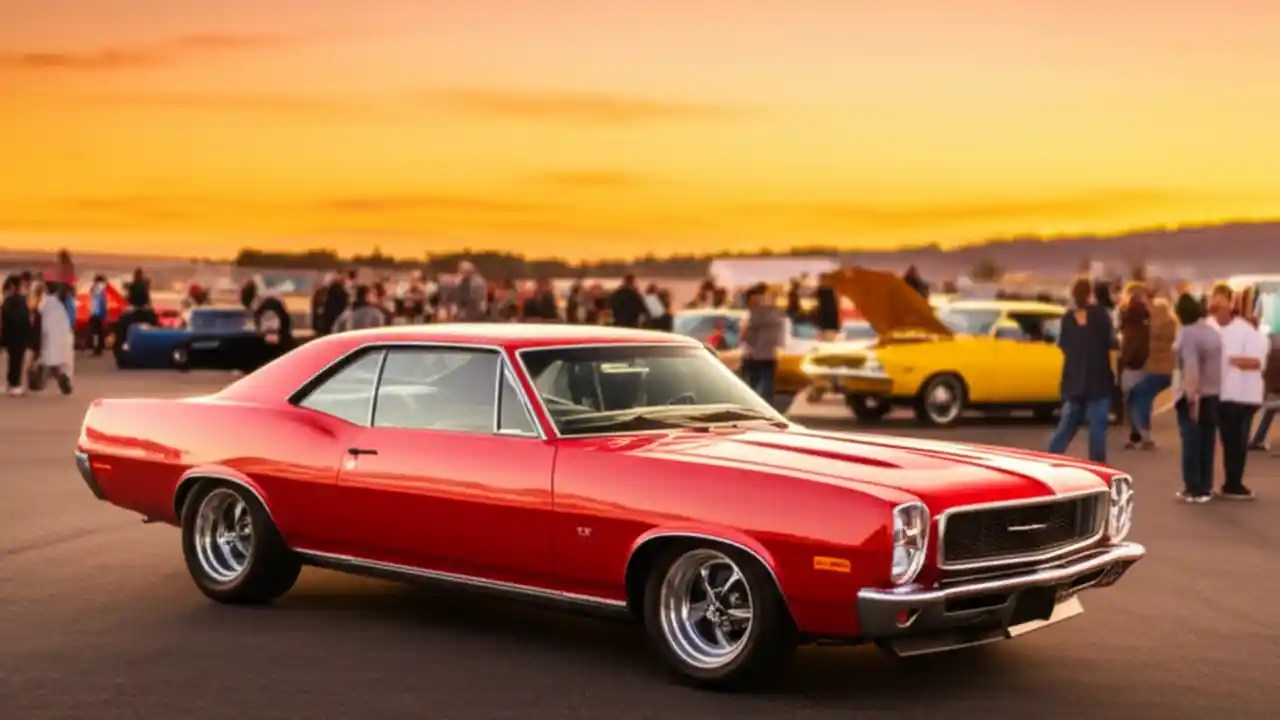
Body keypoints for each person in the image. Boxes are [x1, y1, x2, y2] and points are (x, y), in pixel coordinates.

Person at [1048, 277, 1117, 463]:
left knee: (1065, 429)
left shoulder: (1067, 319)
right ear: (1090, 294)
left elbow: (1063, 345)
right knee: (1097, 431)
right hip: (1098, 380)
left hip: (1074, 380)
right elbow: (1111, 343)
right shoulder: (1101, 315)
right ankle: (1097, 468)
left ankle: (1047, 461)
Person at [1209, 284, 1268, 500]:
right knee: (1225, 439)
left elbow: (1255, 362)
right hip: (1218, 394)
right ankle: (1223, 483)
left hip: (1242, 396)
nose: (1216, 308)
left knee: (1236, 440)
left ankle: (1233, 483)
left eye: (1221, 303)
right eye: (1214, 303)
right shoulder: (1208, 327)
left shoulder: (1245, 330)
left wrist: (1226, 358)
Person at [1173, 293, 1221, 502]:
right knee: (1207, 441)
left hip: (1195, 395)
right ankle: (1205, 486)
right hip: (1213, 394)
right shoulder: (1211, 331)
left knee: (1191, 441)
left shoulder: (1187, 334)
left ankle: (1192, 487)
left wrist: (1190, 396)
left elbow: (1191, 368)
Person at [1128, 285, 1176, 449]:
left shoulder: (1155, 326)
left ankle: (1144, 435)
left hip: (1155, 369)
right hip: (1167, 371)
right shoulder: (1172, 323)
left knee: (1138, 397)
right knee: (1143, 397)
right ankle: (1141, 434)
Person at [1117, 282, 1151, 447]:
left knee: (1129, 401)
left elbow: (1127, 343)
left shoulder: (1129, 317)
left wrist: (1122, 361)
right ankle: (1142, 432)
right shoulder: (1147, 317)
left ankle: (1136, 434)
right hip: (1145, 363)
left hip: (1131, 364)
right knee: (1142, 399)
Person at [740, 283, 785, 405]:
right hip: (757, 356)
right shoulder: (773, 313)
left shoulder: (760, 315)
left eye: (757, 299)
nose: (755, 303)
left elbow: (747, 336)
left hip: (761, 356)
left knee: (762, 387)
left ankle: (759, 408)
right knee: (758, 386)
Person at [37, 282, 74, 394]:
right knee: (60, 362)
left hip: (50, 335)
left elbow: (39, 312)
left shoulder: (46, 301)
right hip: (64, 335)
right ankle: (64, 379)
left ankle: (41, 383)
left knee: (49, 361)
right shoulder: (65, 302)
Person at [2, 275, 34, 396]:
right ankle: (15, 384)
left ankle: (11, 382)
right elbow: (26, 320)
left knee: (12, 359)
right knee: (18, 360)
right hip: (20, 336)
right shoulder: (22, 301)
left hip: (10, 334)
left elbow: (4, 318)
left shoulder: (8, 301)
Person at [88, 274, 109, 356]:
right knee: (99, 333)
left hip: (94, 314)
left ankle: (96, 348)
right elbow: (102, 303)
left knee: (95, 333)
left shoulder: (95, 289)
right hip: (98, 314)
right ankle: (98, 349)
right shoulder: (100, 289)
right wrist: (104, 314)